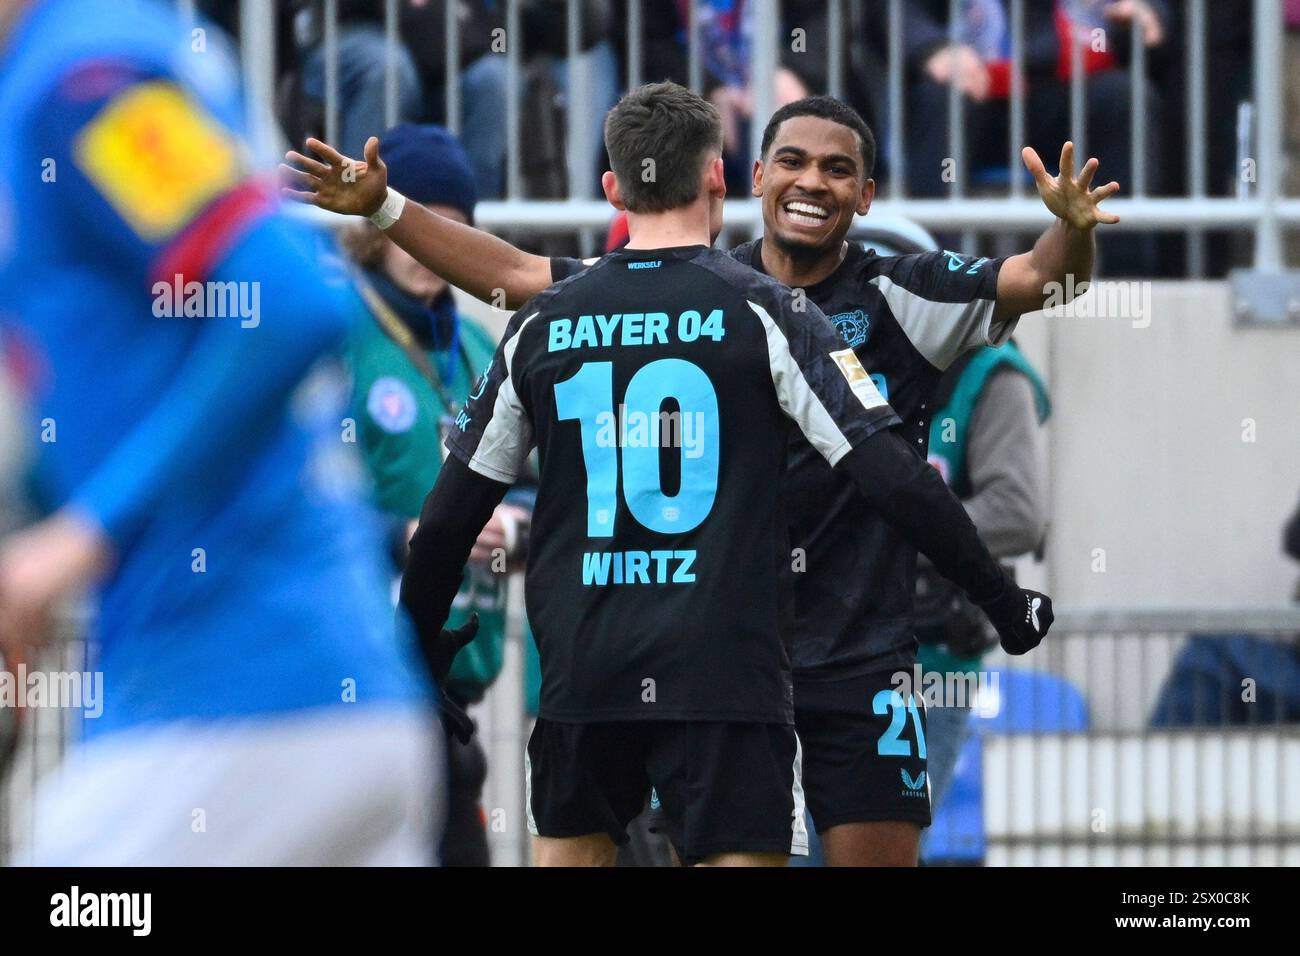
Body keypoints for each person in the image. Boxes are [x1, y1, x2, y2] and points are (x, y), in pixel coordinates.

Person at [282, 92, 1108, 865]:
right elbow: (516, 273)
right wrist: (1003, 600)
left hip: (846, 653)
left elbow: (1046, 279)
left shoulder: (900, 291)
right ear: (744, 177)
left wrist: (1074, 232)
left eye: (837, 169)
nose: (812, 181)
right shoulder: (736, 297)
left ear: (866, 195)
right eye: (793, 161)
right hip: (726, 660)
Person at [0, 0, 439, 865]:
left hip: (226, 712)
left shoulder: (87, 76)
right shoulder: (119, 52)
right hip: (335, 699)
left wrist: (79, 540)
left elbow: (288, 300)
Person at [342, 122, 534, 866]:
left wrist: (513, 531)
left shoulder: (485, 347)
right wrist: (401, 535)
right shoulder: (340, 337)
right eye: (416, 221)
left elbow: (550, 490)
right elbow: (294, 501)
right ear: (375, 227)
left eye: (450, 227)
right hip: (363, 677)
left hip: (460, 675)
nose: (430, 245)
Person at [913, 339, 1051, 830]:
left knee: (865, 850)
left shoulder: (990, 373)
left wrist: (889, 534)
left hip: (930, 667)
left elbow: (1017, 514)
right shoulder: (858, 352)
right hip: (820, 657)